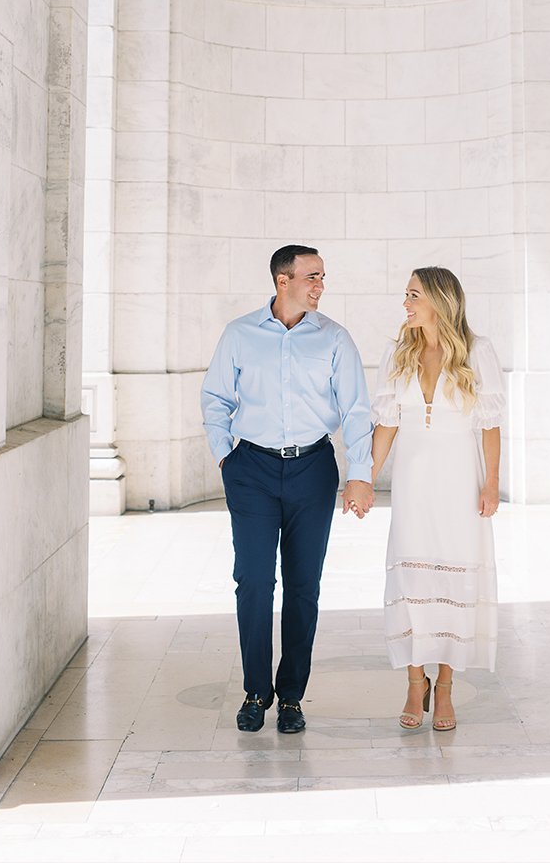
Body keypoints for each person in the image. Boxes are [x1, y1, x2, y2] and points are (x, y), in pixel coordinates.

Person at [200, 244, 375, 735]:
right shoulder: (239, 334)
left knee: (303, 587)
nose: (321, 285)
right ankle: (256, 692)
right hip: (250, 468)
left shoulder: (334, 339)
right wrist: (226, 456)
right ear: (283, 280)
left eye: (322, 277)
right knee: (253, 582)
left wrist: (359, 473)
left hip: (312, 469)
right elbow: (215, 397)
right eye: (312, 276)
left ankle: (292, 697)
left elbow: (357, 410)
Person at [370, 266, 502, 731]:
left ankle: (444, 685)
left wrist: (491, 485)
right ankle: (413, 682)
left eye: (413, 296)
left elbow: (489, 426)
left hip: (458, 481)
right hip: (412, 482)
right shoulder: (397, 353)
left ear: (440, 301)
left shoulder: (477, 352)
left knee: (453, 580)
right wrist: (365, 477)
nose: (405, 304)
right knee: (412, 581)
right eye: (405, 295)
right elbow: (386, 422)